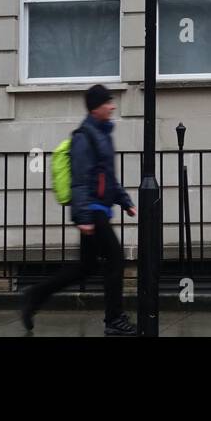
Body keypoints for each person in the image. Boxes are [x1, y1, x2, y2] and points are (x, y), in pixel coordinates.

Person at [21, 84, 138, 336]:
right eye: (108, 102)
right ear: (96, 107)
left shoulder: (102, 133)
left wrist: (124, 200)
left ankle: (35, 295)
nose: (112, 106)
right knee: (115, 259)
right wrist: (84, 216)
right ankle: (114, 320)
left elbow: (106, 175)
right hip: (92, 211)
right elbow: (81, 179)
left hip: (99, 208)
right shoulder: (84, 136)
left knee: (86, 267)